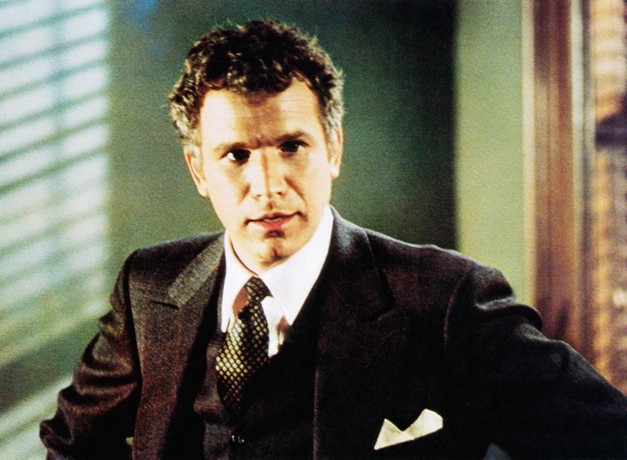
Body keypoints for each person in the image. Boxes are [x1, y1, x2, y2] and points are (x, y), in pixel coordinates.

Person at [40, 19, 627, 459]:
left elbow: (606, 438)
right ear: (199, 171)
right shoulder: (149, 289)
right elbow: (70, 446)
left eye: (291, 147)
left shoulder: (444, 298)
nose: (267, 186)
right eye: (236, 155)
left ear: (334, 149)